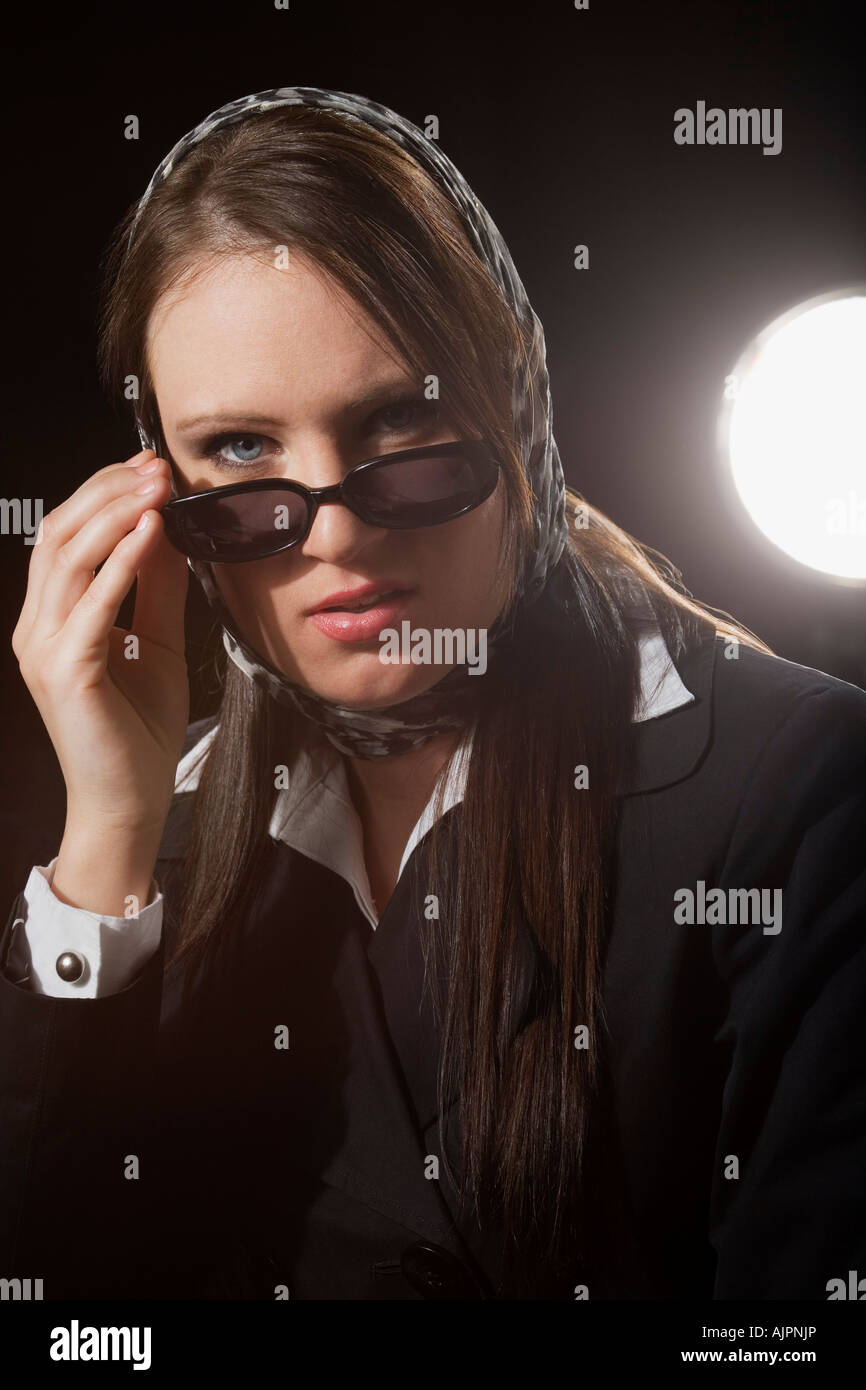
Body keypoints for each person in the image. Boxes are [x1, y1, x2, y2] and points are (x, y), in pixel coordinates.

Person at [2, 86, 865, 1302]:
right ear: (159, 497)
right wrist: (105, 842)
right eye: (241, 453)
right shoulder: (165, 844)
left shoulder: (793, 783)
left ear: (513, 407)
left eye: (398, 422)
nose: (334, 535)